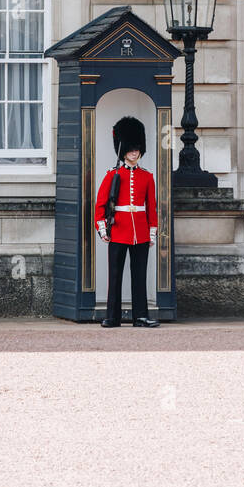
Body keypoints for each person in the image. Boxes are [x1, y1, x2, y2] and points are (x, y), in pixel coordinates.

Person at [95, 116, 160, 328]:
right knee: (115, 275)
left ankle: (140, 316)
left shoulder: (147, 177)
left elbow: (151, 207)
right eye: (131, 149)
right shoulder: (112, 175)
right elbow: (100, 205)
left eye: (137, 149)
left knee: (139, 275)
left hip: (140, 231)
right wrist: (103, 229)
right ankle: (112, 317)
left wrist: (151, 232)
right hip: (119, 230)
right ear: (124, 150)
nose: (134, 152)